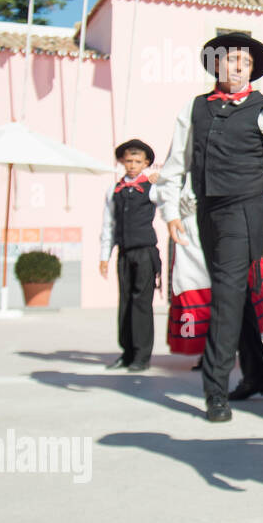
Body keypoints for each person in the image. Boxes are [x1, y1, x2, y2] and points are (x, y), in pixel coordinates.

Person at [156, 32, 263, 423]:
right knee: (237, 294)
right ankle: (259, 374)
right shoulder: (194, 108)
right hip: (206, 210)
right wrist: (170, 212)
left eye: (245, 63)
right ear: (216, 64)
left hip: (244, 210)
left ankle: (215, 391)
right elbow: (174, 162)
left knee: (225, 295)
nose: (238, 67)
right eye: (231, 60)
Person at [150, 177, 263, 369]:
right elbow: (156, 195)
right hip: (189, 246)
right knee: (199, 299)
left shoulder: (213, 174)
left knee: (224, 299)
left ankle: (222, 353)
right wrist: (157, 181)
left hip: (215, 238)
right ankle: (209, 354)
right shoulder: (175, 178)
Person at [99, 139, 162, 372]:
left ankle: (142, 355)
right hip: (124, 252)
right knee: (125, 302)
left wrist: (161, 179)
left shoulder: (152, 187)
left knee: (141, 303)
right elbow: (108, 223)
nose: (133, 165)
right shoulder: (113, 190)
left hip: (145, 251)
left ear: (146, 163)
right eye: (129, 161)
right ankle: (126, 352)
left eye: (138, 161)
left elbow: (176, 196)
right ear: (122, 162)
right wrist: (104, 255)